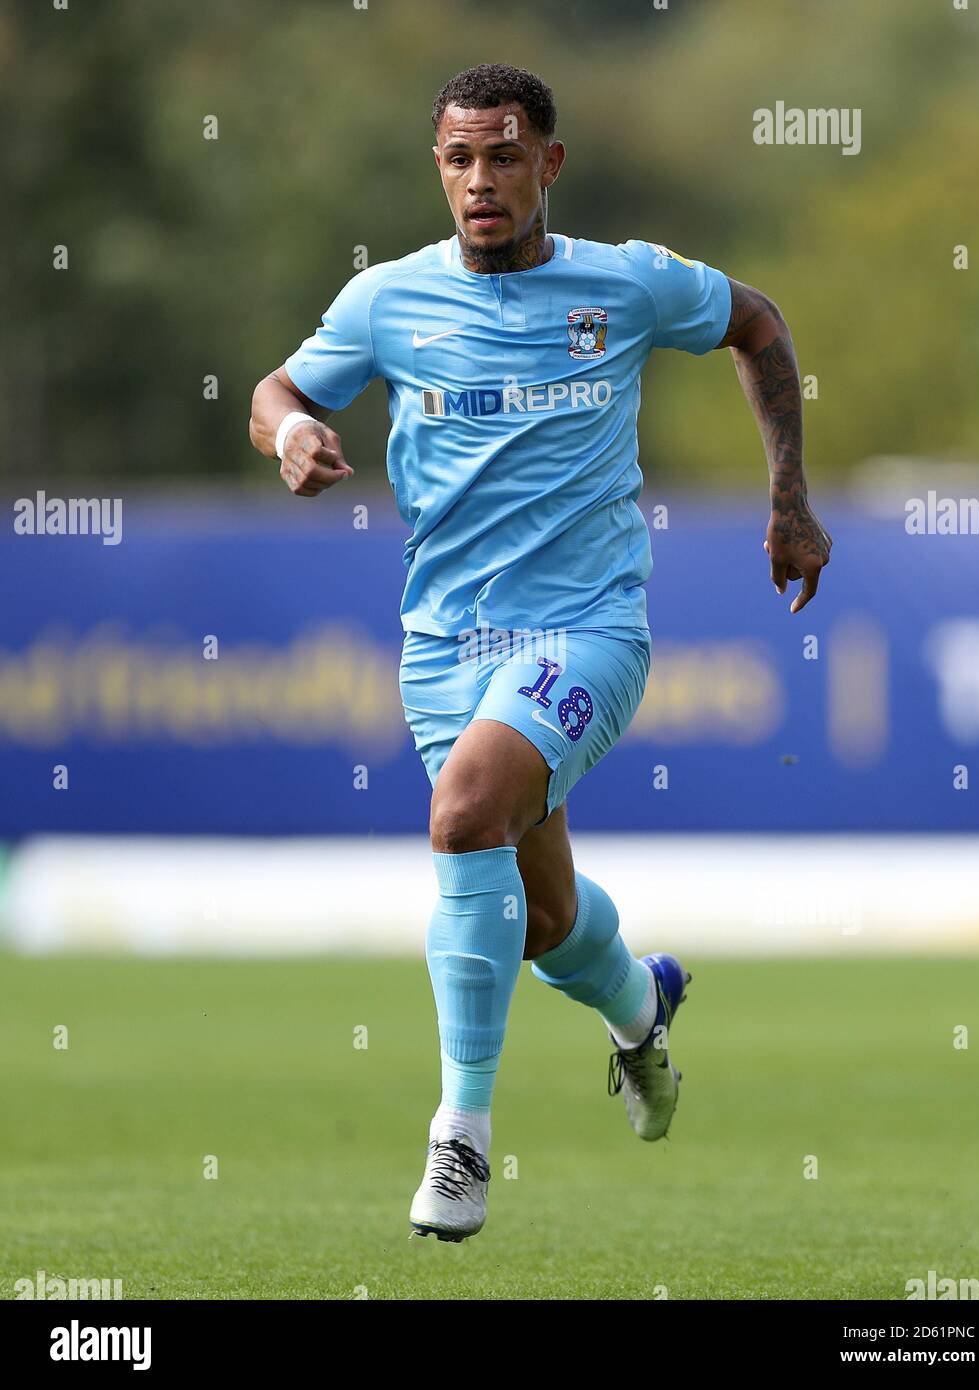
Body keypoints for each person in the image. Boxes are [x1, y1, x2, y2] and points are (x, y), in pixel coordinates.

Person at [249, 62, 832, 1243]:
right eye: (459, 159)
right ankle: (639, 1007)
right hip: (442, 648)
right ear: (438, 169)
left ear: (546, 165)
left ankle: (460, 1137)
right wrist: (297, 427)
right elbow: (273, 390)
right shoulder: (386, 302)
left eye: (503, 156)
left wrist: (786, 498)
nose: (480, 181)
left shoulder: (620, 284)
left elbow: (757, 323)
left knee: (465, 814)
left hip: (588, 632)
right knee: (548, 917)